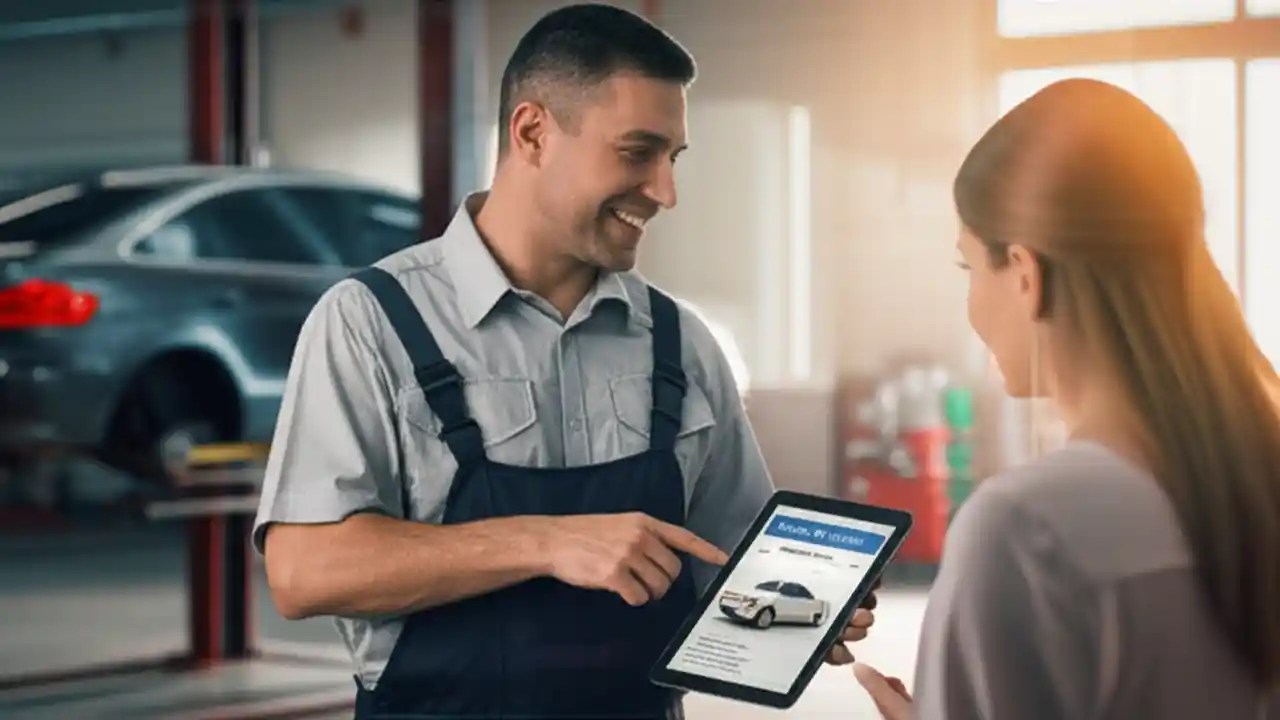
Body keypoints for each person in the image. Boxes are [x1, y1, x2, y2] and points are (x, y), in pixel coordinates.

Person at [253, 5, 873, 719]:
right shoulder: (370, 322)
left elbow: (726, 566)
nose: (666, 192)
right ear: (533, 133)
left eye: (673, 158)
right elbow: (303, 573)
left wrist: (805, 608)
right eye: (638, 151)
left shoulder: (681, 341)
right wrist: (546, 542)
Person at [853, 78, 1280, 719]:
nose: (971, 300)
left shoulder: (1026, 528)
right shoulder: (1258, 476)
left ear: (1026, 274)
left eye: (970, 268)